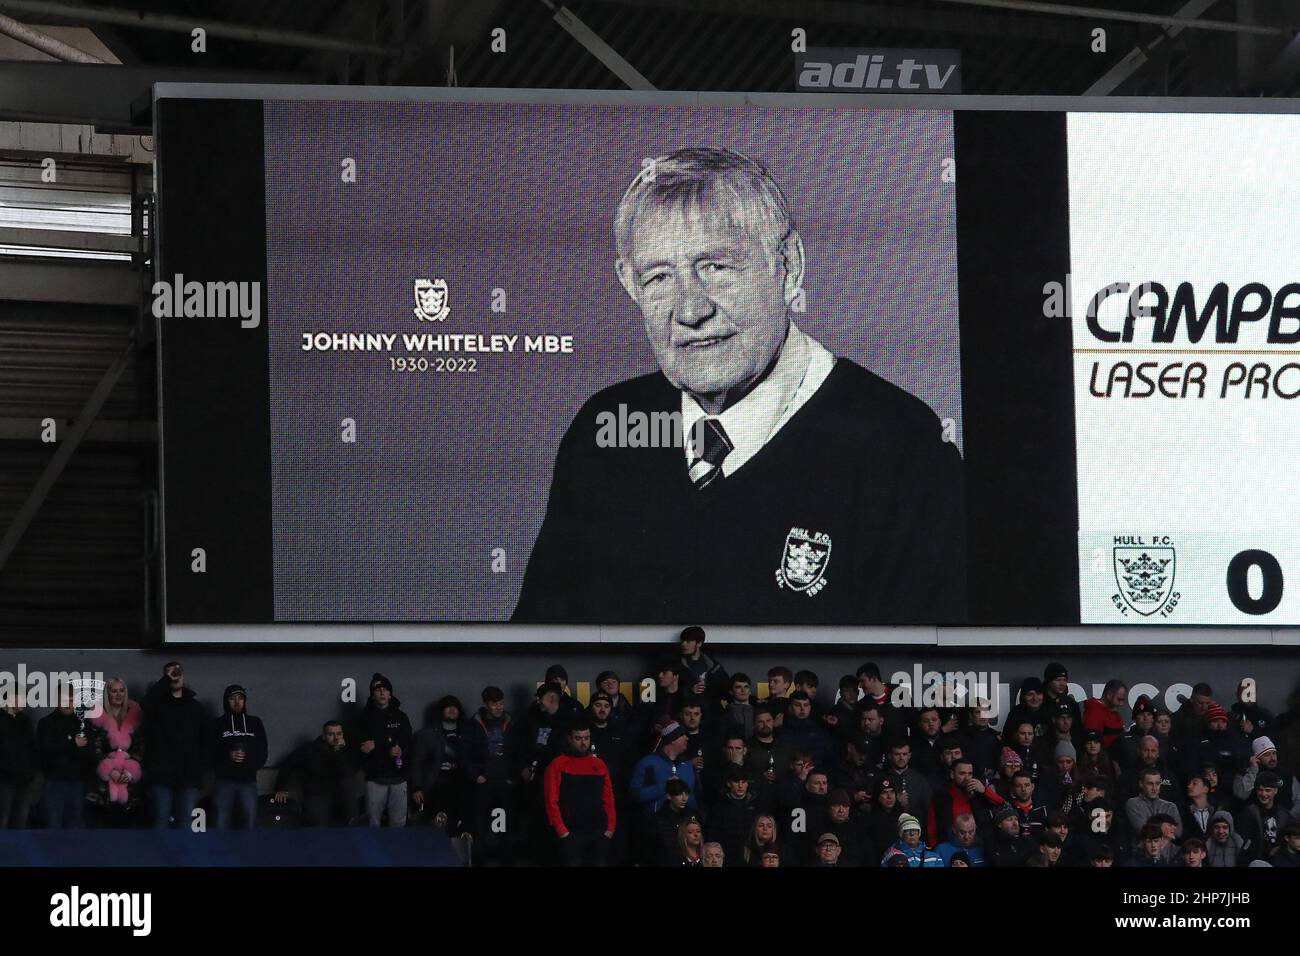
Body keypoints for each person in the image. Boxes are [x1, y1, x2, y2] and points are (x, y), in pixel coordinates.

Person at [512, 146, 966, 625]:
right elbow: (537, 653)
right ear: (630, 285)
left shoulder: (902, 448)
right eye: (659, 277)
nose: (690, 311)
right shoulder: (610, 428)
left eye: (716, 268)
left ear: (788, 265)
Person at [141, 662, 207, 830]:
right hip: (161, 776)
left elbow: (205, 740)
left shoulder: (195, 707)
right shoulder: (157, 705)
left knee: (185, 824)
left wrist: (199, 771)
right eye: (170, 673)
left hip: (188, 777)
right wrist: (165, 680)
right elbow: (145, 704)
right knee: (160, 822)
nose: (174, 676)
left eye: (178, 672)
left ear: (184, 676)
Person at [543, 720, 616, 867]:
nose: (583, 743)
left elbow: (608, 799)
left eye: (586, 738)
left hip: (598, 831)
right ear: (569, 739)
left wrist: (610, 828)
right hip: (571, 832)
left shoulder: (599, 765)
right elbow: (551, 800)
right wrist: (562, 831)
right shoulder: (558, 764)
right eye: (578, 738)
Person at [273, 720, 361, 826]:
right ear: (323, 736)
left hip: (339, 794)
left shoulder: (346, 750)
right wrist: (281, 788)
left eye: (338, 734)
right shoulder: (310, 749)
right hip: (317, 794)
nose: (336, 738)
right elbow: (288, 764)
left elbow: (348, 773)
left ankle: (353, 828)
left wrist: (338, 751)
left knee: (348, 785)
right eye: (331, 734)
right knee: (318, 827)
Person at [464, 686, 515, 864]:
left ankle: (506, 861)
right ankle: (480, 861)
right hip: (483, 782)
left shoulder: (510, 722)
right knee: (480, 825)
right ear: (486, 704)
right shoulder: (474, 724)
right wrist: (476, 775)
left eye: (501, 703)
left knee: (506, 826)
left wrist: (512, 776)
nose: (499, 707)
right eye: (494, 704)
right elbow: (465, 754)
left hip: (504, 782)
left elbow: (518, 750)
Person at [356, 673, 413, 828]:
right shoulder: (364, 718)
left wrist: (398, 747)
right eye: (378, 690)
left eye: (385, 689)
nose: (382, 692)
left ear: (390, 694)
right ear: (372, 695)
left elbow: (407, 738)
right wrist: (385, 748)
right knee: (372, 822)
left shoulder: (401, 716)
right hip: (375, 778)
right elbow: (364, 746)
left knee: (398, 823)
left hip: (399, 776)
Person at [210, 684, 268, 830]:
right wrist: (227, 756)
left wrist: (249, 763)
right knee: (220, 823)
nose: (237, 702)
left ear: (244, 701)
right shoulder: (217, 724)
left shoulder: (255, 723)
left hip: (248, 782)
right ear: (226, 701)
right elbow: (209, 753)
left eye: (240, 698)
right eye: (232, 698)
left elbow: (263, 751)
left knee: (249, 823)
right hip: (224, 782)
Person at [36, 684, 94, 829]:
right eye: (64, 700)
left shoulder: (84, 724)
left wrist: (70, 747)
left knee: (74, 828)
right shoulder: (46, 723)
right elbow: (46, 750)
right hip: (54, 783)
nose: (68, 703)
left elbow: (89, 753)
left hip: (77, 783)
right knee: (53, 826)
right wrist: (73, 744)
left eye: (71, 700)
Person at [411, 695, 469, 831]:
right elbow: (417, 763)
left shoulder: (468, 733)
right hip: (435, 784)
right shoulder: (427, 735)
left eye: (455, 707)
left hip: (462, 782)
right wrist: (417, 788)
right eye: (448, 707)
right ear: (441, 710)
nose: (452, 710)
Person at [89, 678, 143, 812]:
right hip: (102, 788)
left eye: (121, 690)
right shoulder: (96, 716)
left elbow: (141, 747)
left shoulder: (135, 716)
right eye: (114, 691)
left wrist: (129, 772)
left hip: (130, 787)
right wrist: (109, 770)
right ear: (107, 694)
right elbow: (93, 748)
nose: (119, 695)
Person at [1235, 770, 1292, 864]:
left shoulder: (1284, 815)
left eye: (1267, 790)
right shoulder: (1249, 812)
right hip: (1254, 860)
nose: (1263, 794)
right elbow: (1242, 840)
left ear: (1275, 791)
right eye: (1260, 790)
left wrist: (1280, 848)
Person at [708, 765, 759, 864]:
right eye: (736, 782)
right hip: (726, 856)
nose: (740, 786)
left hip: (752, 856)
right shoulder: (719, 807)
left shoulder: (755, 805)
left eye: (743, 782)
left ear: (747, 784)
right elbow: (712, 834)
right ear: (729, 783)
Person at [0, 696, 36, 828]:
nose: (23, 702)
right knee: (2, 819)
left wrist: (31, 773)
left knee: (21, 820)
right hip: (4, 781)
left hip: (24, 780)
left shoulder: (26, 721)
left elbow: (32, 749)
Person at [678, 625, 728, 709]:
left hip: (710, 712)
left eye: (688, 641)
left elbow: (726, 688)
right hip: (688, 712)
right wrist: (690, 691)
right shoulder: (678, 665)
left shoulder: (713, 665)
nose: (683, 644)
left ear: (699, 643)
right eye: (682, 641)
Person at [1125, 768, 1182, 840]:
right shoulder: (1133, 803)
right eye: (1150, 784)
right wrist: (1167, 829)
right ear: (1141, 784)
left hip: (1168, 846)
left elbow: (1178, 833)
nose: (1154, 788)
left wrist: (1152, 827)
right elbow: (1143, 831)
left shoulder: (1170, 806)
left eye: (1157, 783)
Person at [1082, 680, 1128, 750]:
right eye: (1119, 699)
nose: (1121, 704)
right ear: (1109, 695)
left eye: (1123, 700)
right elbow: (1092, 743)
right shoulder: (1094, 712)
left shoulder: (1114, 711)